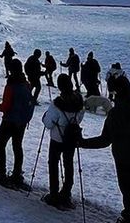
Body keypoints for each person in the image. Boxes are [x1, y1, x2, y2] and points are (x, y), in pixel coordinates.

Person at [74, 75, 130, 223]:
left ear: (117, 92)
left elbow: (104, 140)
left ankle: (128, 215)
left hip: (122, 156)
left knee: (126, 187)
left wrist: (82, 143)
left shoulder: (115, 113)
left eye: (113, 92)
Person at [0, 57, 35, 189]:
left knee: (0, 145)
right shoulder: (26, 84)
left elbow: (5, 107)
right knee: (17, 147)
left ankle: (2, 175)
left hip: (9, 121)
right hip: (22, 122)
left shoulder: (11, 86)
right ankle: (16, 175)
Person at [41, 73, 85, 209]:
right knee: (69, 165)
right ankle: (66, 193)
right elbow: (79, 119)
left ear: (60, 87)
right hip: (71, 138)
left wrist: (45, 117)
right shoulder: (79, 102)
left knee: (53, 164)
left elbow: (48, 123)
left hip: (57, 139)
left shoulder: (57, 104)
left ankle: (54, 194)